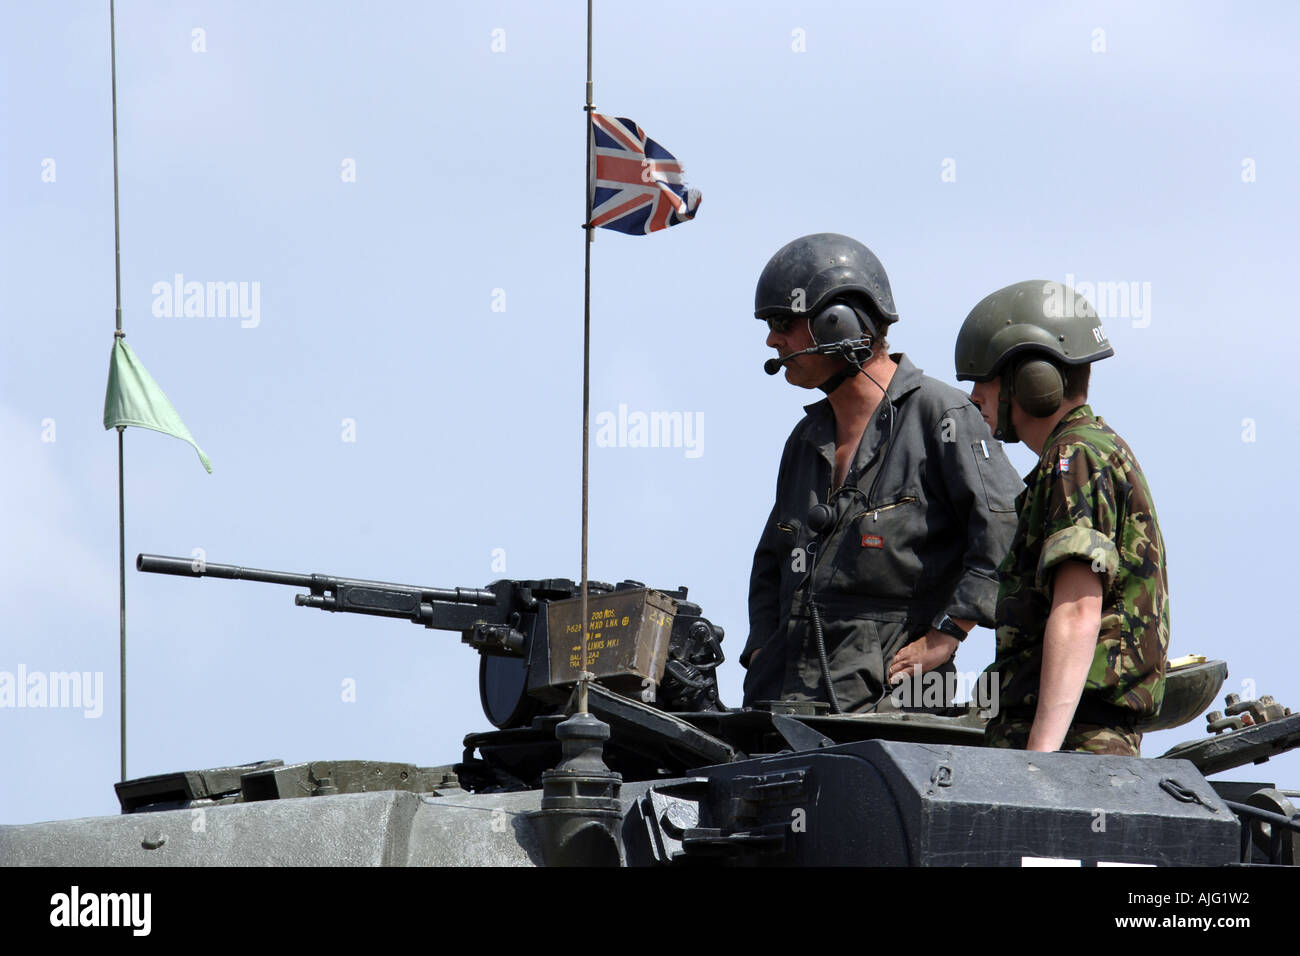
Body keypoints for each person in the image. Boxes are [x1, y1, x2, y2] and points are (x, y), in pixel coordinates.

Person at [741, 233, 1022, 714]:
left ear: (840, 322)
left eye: (783, 322)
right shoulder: (807, 438)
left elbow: (1006, 527)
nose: (772, 339)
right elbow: (772, 562)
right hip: (782, 704)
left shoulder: (941, 415)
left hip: (894, 709)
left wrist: (948, 634)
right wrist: (763, 648)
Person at [954, 280, 1169, 756]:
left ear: (1032, 379)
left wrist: (1039, 764)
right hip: (1078, 744)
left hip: (1071, 748)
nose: (973, 397)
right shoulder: (1088, 451)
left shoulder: (1074, 459)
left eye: (984, 378)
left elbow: (1077, 610)